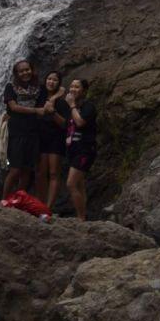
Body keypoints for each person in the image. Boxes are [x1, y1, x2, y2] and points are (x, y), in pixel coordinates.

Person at [2, 59, 47, 199]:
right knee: (15, 169)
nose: (25, 73)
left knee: (27, 169)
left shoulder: (40, 88)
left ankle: (17, 200)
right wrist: (35, 111)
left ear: (32, 70)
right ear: (16, 74)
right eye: (21, 71)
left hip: (33, 132)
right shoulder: (11, 87)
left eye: (27, 69)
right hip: (17, 132)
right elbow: (13, 107)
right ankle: (3, 200)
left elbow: (43, 107)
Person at [64, 78, 97, 221]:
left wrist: (72, 105)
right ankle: (83, 217)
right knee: (79, 184)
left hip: (85, 150)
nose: (73, 89)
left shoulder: (88, 107)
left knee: (71, 184)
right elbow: (66, 125)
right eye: (71, 86)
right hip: (73, 149)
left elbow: (80, 122)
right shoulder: (72, 108)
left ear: (84, 90)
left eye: (77, 87)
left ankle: (80, 217)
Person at [35, 70, 68, 209]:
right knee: (40, 173)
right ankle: (40, 205)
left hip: (56, 139)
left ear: (59, 83)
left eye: (55, 80)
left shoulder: (62, 102)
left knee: (54, 173)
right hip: (41, 138)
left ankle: (48, 208)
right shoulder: (39, 96)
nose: (51, 82)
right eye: (49, 79)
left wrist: (53, 111)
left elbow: (65, 124)